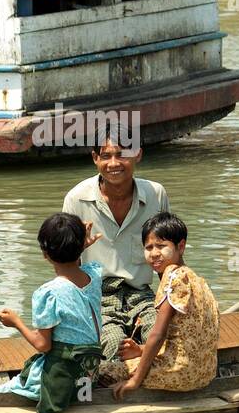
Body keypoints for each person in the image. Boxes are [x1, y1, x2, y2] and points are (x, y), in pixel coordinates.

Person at [62, 135, 170, 364]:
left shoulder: (156, 194)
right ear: (95, 158)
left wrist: (175, 300)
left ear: (138, 154)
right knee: (114, 347)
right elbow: (64, 269)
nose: (113, 163)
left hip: (142, 295)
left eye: (122, 154)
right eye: (106, 156)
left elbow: (168, 257)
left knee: (163, 339)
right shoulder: (76, 200)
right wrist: (77, 251)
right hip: (98, 297)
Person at [0, 213, 105, 413]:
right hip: (89, 375)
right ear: (82, 246)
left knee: (0, 394)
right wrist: (80, 246)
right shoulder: (94, 275)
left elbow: (42, 345)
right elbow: (78, 267)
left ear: (45, 254)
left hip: (62, 378)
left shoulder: (48, 293)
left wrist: (16, 322)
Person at [106, 213, 220, 400]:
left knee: (106, 370)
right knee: (133, 358)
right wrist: (141, 350)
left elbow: (158, 335)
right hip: (205, 373)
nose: (154, 253)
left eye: (161, 246)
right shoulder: (196, 279)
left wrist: (135, 380)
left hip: (180, 374)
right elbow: (183, 335)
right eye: (148, 247)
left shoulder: (173, 276)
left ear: (180, 246)